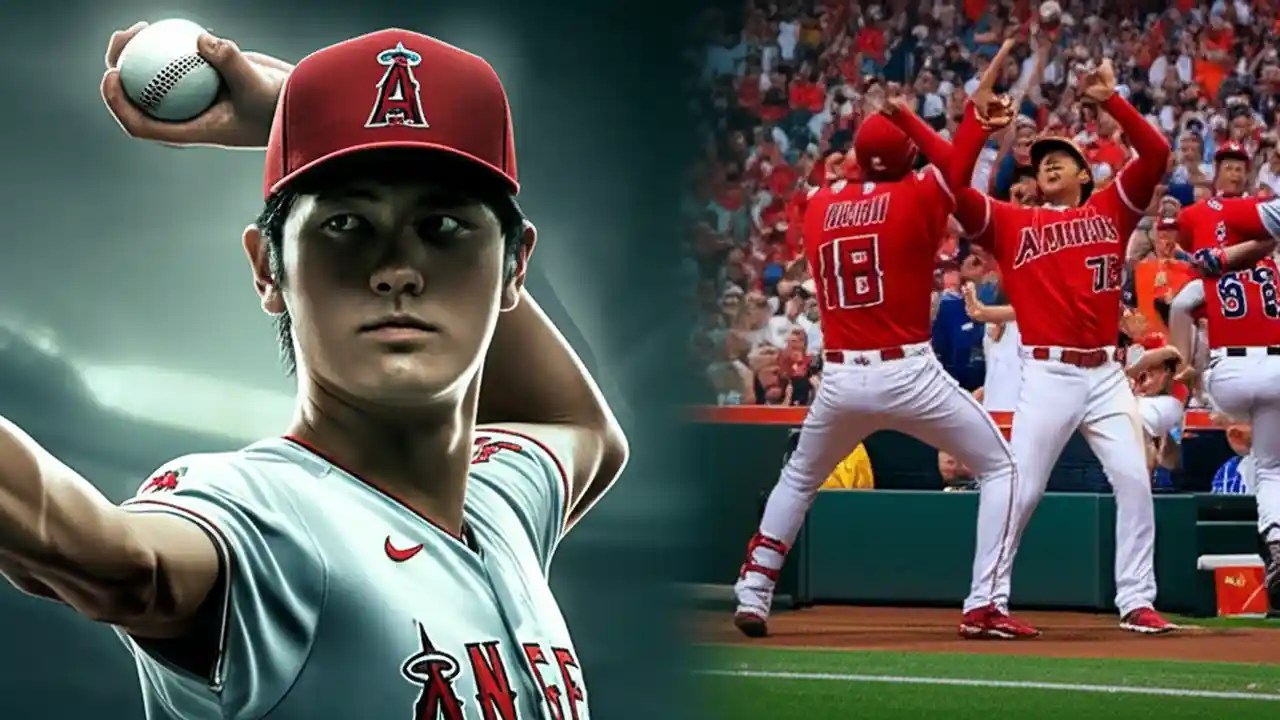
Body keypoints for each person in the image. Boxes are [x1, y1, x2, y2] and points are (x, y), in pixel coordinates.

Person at [0, 24, 628, 720]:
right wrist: (308, 124)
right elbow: (121, 566)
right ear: (268, 268)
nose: (396, 269)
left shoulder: (502, 504)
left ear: (515, 266)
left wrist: (296, 116)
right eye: (345, 225)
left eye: (444, 227)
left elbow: (576, 426)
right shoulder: (259, 511)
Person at [731, 49, 1020, 640]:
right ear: (905, 155)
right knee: (1001, 467)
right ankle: (982, 602)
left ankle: (755, 589)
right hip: (908, 371)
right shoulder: (916, 192)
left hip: (839, 376)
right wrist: (951, 110)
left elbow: (860, 176)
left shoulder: (818, 203)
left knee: (797, 480)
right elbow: (956, 157)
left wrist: (874, 151)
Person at [900, 51, 1178, 635]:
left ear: (1085, 174)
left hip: (1105, 373)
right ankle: (984, 602)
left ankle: (1136, 599)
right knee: (1020, 488)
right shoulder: (1009, 220)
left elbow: (1156, 155)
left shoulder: (1112, 208)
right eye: (1043, 159)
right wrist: (974, 129)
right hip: (1048, 374)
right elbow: (951, 191)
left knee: (1133, 477)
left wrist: (1113, 102)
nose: (1050, 164)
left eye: (1063, 159)